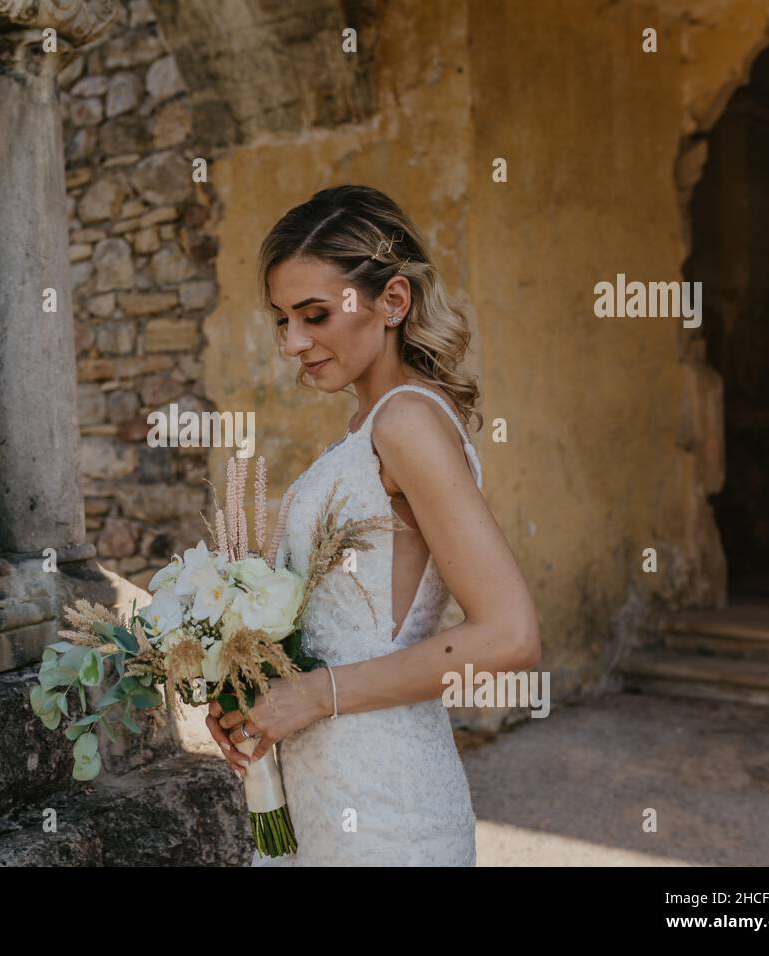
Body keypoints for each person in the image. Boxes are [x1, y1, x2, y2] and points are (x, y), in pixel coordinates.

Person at [206, 184, 540, 866]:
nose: (294, 342)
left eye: (316, 314)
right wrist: (251, 687)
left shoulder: (406, 423)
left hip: (387, 805)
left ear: (392, 301)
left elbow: (509, 636)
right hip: (329, 788)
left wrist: (309, 696)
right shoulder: (368, 427)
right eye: (282, 320)